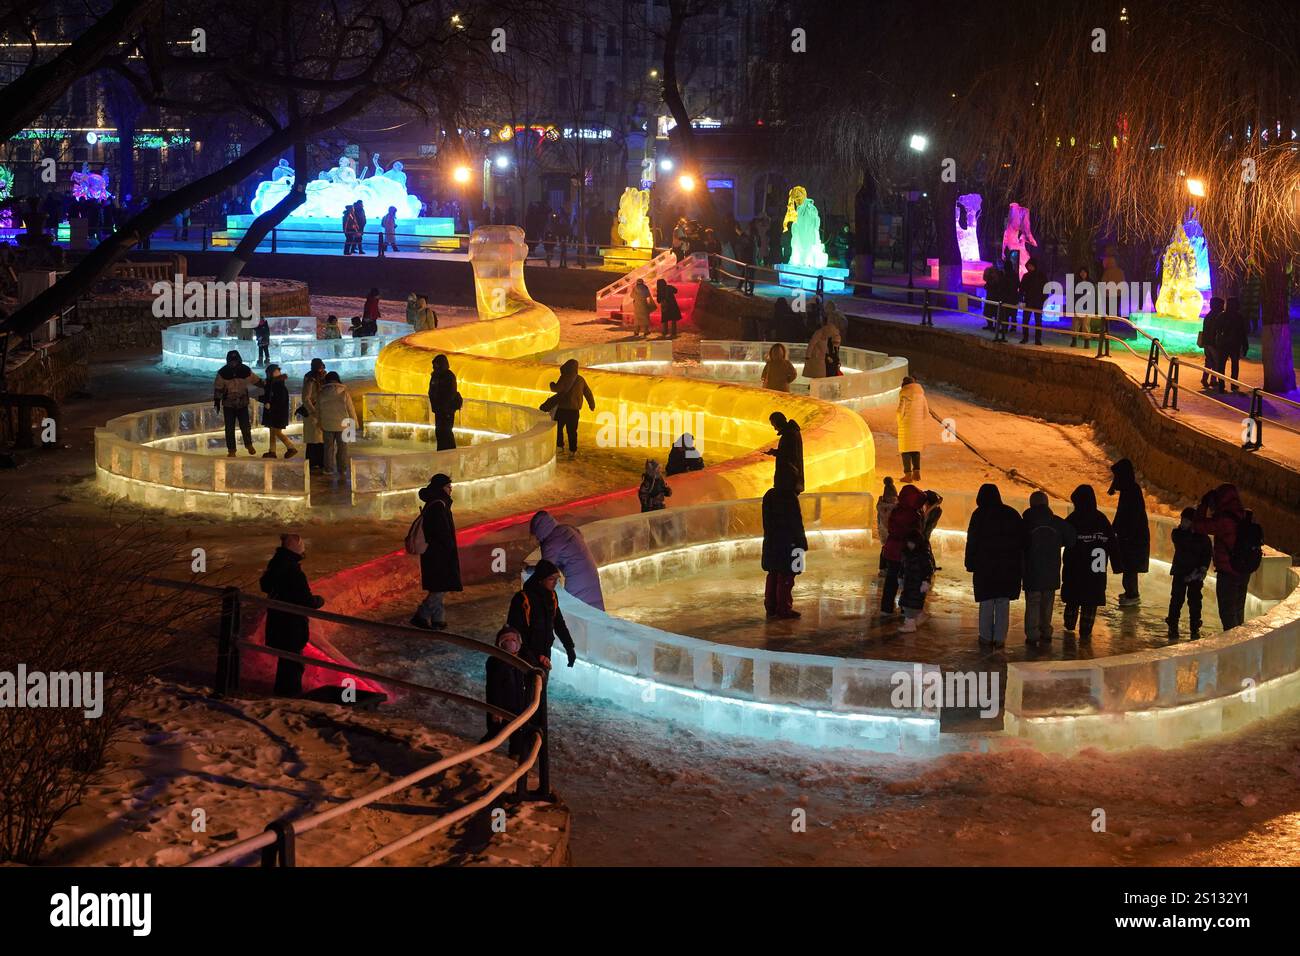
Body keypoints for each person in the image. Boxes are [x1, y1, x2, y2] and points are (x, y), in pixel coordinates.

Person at [259, 533, 325, 696]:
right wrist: (319, 600)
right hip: (291, 624)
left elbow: (265, 585)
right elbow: (305, 600)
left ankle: (282, 691)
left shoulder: (276, 563)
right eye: (302, 548)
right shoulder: (293, 571)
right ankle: (291, 695)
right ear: (296, 549)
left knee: (285, 660)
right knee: (293, 663)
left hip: (277, 620)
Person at [964, 483, 1024, 649]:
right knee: (1003, 602)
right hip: (1008, 567)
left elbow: (972, 541)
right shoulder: (1012, 514)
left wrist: (970, 562)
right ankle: (1000, 638)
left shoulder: (979, 514)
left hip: (985, 567)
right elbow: (1021, 541)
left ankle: (985, 636)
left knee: (987, 601)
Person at [1192, 484, 1255, 631]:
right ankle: (1240, 643)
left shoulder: (1224, 521)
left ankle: (1232, 646)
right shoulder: (1242, 515)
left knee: (1227, 613)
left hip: (1229, 572)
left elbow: (1198, 525)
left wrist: (1204, 504)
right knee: (1238, 610)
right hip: (1243, 570)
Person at [1021, 490, 1076, 647]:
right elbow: (1071, 538)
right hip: (1051, 571)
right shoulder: (1056, 522)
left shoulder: (1026, 523)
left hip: (1032, 571)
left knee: (1033, 602)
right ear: (1047, 504)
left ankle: (1032, 634)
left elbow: (1019, 542)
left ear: (1031, 504)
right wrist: (1058, 542)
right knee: (1047, 602)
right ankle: (1046, 631)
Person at [1061, 483, 1113, 641]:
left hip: (1076, 569)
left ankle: (1069, 624)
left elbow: (1063, 537)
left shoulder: (1074, 519)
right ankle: (1086, 629)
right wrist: (1118, 565)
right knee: (1091, 601)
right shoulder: (1102, 519)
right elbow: (1112, 543)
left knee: (1073, 599)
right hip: (1096, 572)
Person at [507, 559, 577, 672]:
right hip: (524, 656)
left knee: (541, 688)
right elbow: (515, 633)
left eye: (556, 579)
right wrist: (533, 657)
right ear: (540, 580)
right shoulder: (522, 599)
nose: (555, 582)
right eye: (551, 579)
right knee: (528, 687)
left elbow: (559, 624)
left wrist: (569, 647)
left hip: (544, 654)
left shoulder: (552, 597)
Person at [411, 473, 462, 629]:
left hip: (436, 553)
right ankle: (422, 615)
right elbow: (441, 532)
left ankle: (438, 619)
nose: (451, 489)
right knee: (440, 587)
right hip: (439, 554)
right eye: (448, 486)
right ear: (441, 488)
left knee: (440, 586)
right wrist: (449, 547)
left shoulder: (436, 503)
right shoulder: (438, 505)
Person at [529, 510, 604, 610]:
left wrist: (530, 570)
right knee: (594, 609)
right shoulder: (567, 529)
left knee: (576, 610)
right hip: (590, 574)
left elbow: (545, 570)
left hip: (577, 580)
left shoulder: (551, 542)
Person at [481, 626, 531, 756]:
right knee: (495, 732)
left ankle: (515, 757)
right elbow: (494, 687)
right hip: (501, 706)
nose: (510, 643)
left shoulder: (521, 660)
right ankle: (479, 753)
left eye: (513, 640)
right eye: (506, 640)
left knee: (517, 735)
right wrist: (496, 710)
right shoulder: (495, 661)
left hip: (518, 705)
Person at [1108, 458, 1150, 606]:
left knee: (1130, 569)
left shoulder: (1131, 491)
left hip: (1133, 539)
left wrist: (1122, 534)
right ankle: (1130, 593)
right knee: (1129, 569)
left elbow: (1130, 515)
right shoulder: (1129, 490)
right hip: (1130, 538)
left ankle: (1132, 595)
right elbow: (1122, 514)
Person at [762, 485, 807, 619]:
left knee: (773, 573)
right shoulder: (789, 497)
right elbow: (796, 524)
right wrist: (801, 543)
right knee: (787, 575)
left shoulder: (769, 494)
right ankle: (783, 608)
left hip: (772, 542)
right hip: (789, 544)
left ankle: (771, 606)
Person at [1167, 507, 1212, 641]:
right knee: (1176, 600)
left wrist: (1201, 570)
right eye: (1182, 520)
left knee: (1195, 601)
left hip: (1195, 575)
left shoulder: (1203, 538)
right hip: (1180, 573)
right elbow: (1182, 542)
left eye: (1186, 520)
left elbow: (1207, 555)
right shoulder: (1178, 533)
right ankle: (1173, 626)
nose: (1182, 523)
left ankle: (1194, 628)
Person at [880, 483, 925, 614]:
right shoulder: (913, 515)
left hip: (891, 550)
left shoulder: (896, 510)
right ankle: (906, 609)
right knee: (907, 582)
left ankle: (886, 608)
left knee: (891, 581)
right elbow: (915, 535)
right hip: (904, 552)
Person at [213, 349, 262, 458]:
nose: (233, 363)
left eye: (235, 361)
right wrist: (217, 400)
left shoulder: (245, 370)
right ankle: (231, 450)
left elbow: (256, 380)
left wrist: (265, 385)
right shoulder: (222, 373)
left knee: (245, 426)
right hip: (228, 404)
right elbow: (218, 388)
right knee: (229, 428)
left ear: (239, 360)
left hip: (242, 403)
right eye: (231, 361)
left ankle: (249, 445)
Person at [545, 358, 595, 458]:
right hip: (574, 411)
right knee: (572, 431)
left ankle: (560, 447)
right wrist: (591, 404)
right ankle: (573, 450)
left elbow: (556, 389)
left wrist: (552, 384)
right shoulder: (581, 379)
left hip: (563, 409)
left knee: (558, 428)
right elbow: (588, 393)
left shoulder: (564, 377)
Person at [317, 371, 357, 477]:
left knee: (328, 448)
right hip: (343, 425)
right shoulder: (344, 392)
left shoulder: (322, 393)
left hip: (327, 424)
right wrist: (354, 424)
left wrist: (319, 422)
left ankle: (328, 469)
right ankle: (342, 469)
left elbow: (318, 410)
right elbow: (350, 409)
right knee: (343, 448)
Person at [898, 529, 935, 633]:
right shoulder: (906, 553)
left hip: (918, 584)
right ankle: (920, 616)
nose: (909, 545)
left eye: (911, 542)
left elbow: (929, 569)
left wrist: (926, 581)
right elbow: (902, 567)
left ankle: (910, 624)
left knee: (911, 604)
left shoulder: (923, 554)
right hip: (908, 582)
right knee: (907, 602)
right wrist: (900, 577)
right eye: (908, 542)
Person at [259, 363, 297, 459]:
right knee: (272, 431)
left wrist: (270, 405)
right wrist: (263, 400)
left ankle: (291, 447)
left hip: (277, 414)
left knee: (276, 431)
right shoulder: (272, 384)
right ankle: (272, 451)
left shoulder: (278, 386)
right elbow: (268, 397)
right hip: (273, 413)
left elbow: (279, 400)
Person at [896, 376, 928, 482]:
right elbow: (926, 413)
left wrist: (900, 422)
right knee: (915, 449)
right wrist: (918, 421)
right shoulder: (922, 396)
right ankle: (917, 473)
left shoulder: (905, 396)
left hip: (906, 426)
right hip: (918, 426)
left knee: (905, 450)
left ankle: (908, 475)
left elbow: (900, 412)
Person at [427, 353, 461, 451]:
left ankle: (449, 454)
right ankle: (442, 453)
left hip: (446, 411)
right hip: (440, 410)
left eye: (436, 365)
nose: (434, 368)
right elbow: (432, 391)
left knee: (446, 432)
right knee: (440, 432)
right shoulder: (436, 376)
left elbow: (449, 394)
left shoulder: (448, 376)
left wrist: (444, 408)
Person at [765, 412, 804, 494]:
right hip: (791, 480)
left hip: (788, 481)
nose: (775, 428)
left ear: (778, 422)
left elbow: (789, 456)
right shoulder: (792, 432)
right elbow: (788, 452)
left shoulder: (789, 435)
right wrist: (775, 452)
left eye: (774, 425)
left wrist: (781, 483)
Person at [300, 358, 327, 471]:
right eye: (320, 367)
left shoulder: (322, 378)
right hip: (313, 413)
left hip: (320, 411)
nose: (322, 370)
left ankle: (320, 462)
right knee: (314, 440)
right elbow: (306, 398)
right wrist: (313, 411)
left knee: (320, 439)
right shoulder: (310, 380)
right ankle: (313, 462)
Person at [1218, 296, 1249, 391]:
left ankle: (1221, 385)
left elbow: (1217, 330)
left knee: (1221, 365)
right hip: (1235, 345)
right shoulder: (1239, 317)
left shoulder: (1222, 316)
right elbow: (1243, 332)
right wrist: (1245, 345)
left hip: (1224, 344)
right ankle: (1234, 384)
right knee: (1235, 365)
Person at [803, 311, 842, 379]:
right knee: (822, 376)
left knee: (821, 376)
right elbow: (812, 344)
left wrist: (808, 356)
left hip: (824, 361)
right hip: (824, 360)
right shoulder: (827, 334)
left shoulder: (823, 333)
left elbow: (812, 344)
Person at [1019, 257, 1049, 345]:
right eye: (1029, 266)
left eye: (1031, 266)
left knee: (1038, 322)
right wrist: (1022, 299)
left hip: (1038, 302)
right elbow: (1021, 288)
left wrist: (1044, 299)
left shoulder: (1041, 276)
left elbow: (1046, 288)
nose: (1030, 267)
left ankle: (1038, 339)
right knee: (1025, 321)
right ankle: (1025, 337)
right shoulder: (1026, 276)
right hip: (1028, 301)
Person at [1200, 296, 1225, 390]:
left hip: (1207, 342)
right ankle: (1213, 380)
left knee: (1209, 362)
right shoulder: (1217, 316)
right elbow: (1215, 331)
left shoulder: (1209, 315)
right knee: (1216, 362)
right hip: (1212, 343)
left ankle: (1205, 379)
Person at [875, 477, 898, 576]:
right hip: (890, 531)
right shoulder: (893, 507)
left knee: (885, 548)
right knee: (889, 549)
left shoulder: (881, 506)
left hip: (884, 531)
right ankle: (886, 568)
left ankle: (883, 568)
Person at [1069, 266, 1093, 347]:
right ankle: (1074, 341)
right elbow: (1072, 295)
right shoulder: (1076, 283)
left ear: (1087, 273)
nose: (1083, 274)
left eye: (1084, 272)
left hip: (1087, 307)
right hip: (1077, 307)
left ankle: (1086, 342)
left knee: (1086, 325)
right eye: (1081, 272)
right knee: (1075, 325)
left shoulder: (1090, 283)